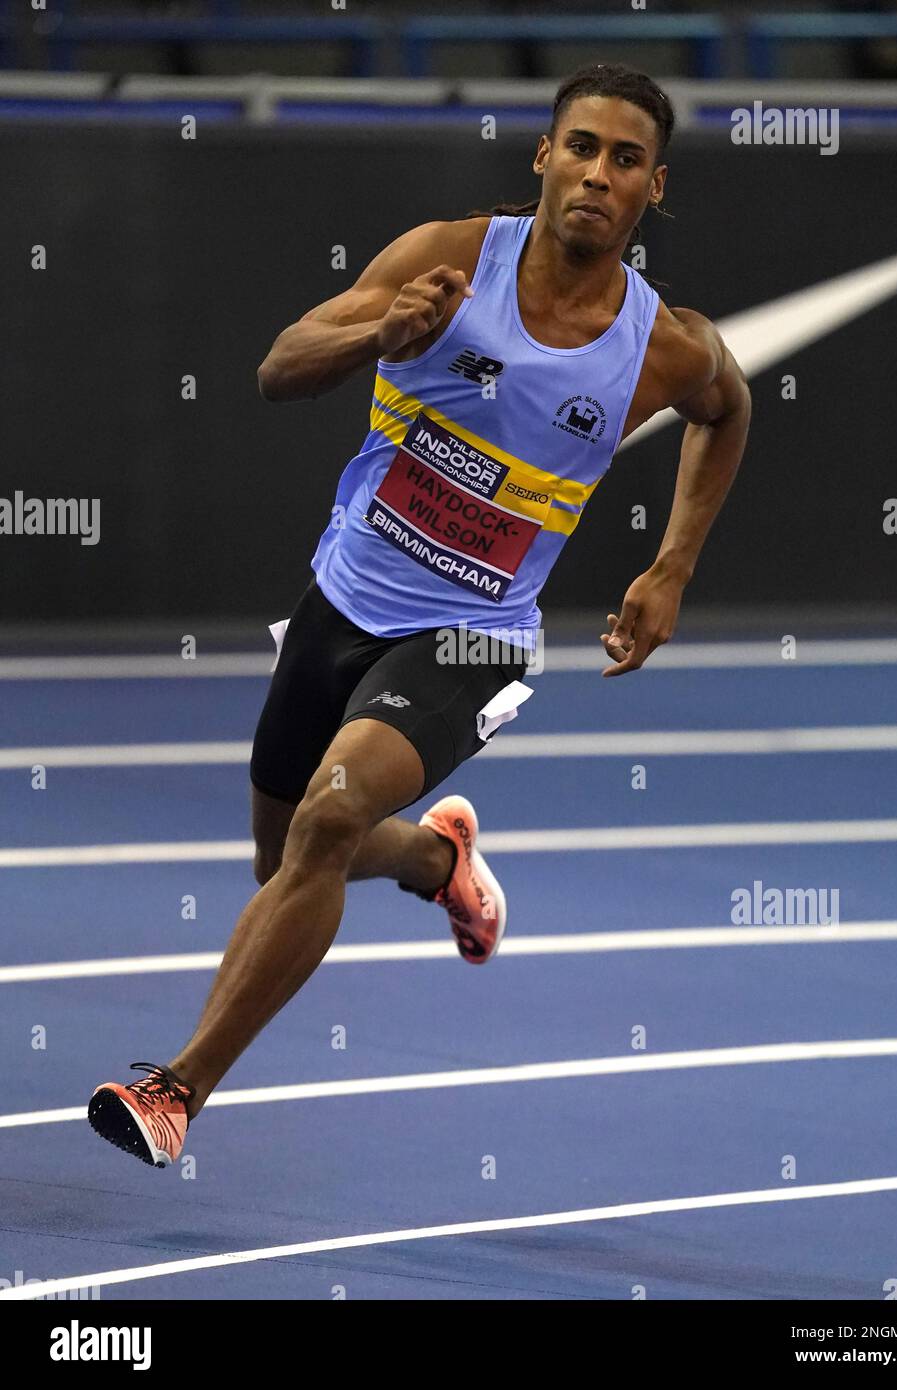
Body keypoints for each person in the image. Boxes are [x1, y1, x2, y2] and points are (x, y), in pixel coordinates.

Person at [87, 63, 751, 1168]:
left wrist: (670, 564)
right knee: (283, 857)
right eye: (579, 146)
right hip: (341, 600)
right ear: (542, 155)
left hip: (473, 636)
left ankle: (176, 1088)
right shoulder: (444, 258)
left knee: (326, 822)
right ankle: (439, 867)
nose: (597, 172)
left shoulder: (662, 345)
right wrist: (378, 337)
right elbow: (276, 371)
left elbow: (723, 415)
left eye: (624, 159)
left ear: (652, 188)